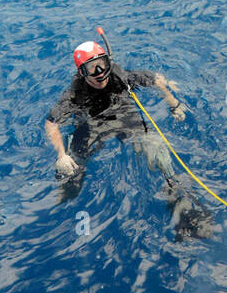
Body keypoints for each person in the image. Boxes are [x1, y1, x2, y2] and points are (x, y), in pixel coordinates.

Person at [45, 39, 212, 237]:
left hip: (125, 115)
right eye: (92, 68)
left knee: (157, 150)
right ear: (82, 73)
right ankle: (63, 200)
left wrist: (173, 102)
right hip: (91, 124)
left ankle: (180, 203)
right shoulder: (75, 94)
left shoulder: (119, 77)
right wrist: (61, 154)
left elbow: (154, 79)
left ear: (108, 62)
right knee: (71, 169)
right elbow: (51, 123)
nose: (100, 72)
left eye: (102, 64)